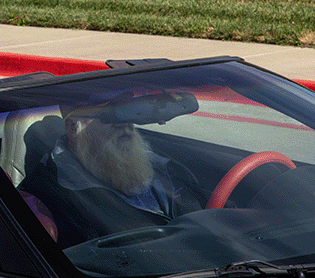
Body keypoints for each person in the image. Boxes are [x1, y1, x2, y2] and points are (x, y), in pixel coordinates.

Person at [20, 100, 205, 248]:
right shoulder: (49, 198)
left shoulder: (163, 165)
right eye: (109, 115)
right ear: (73, 127)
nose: (124, 122)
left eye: (128, 110)